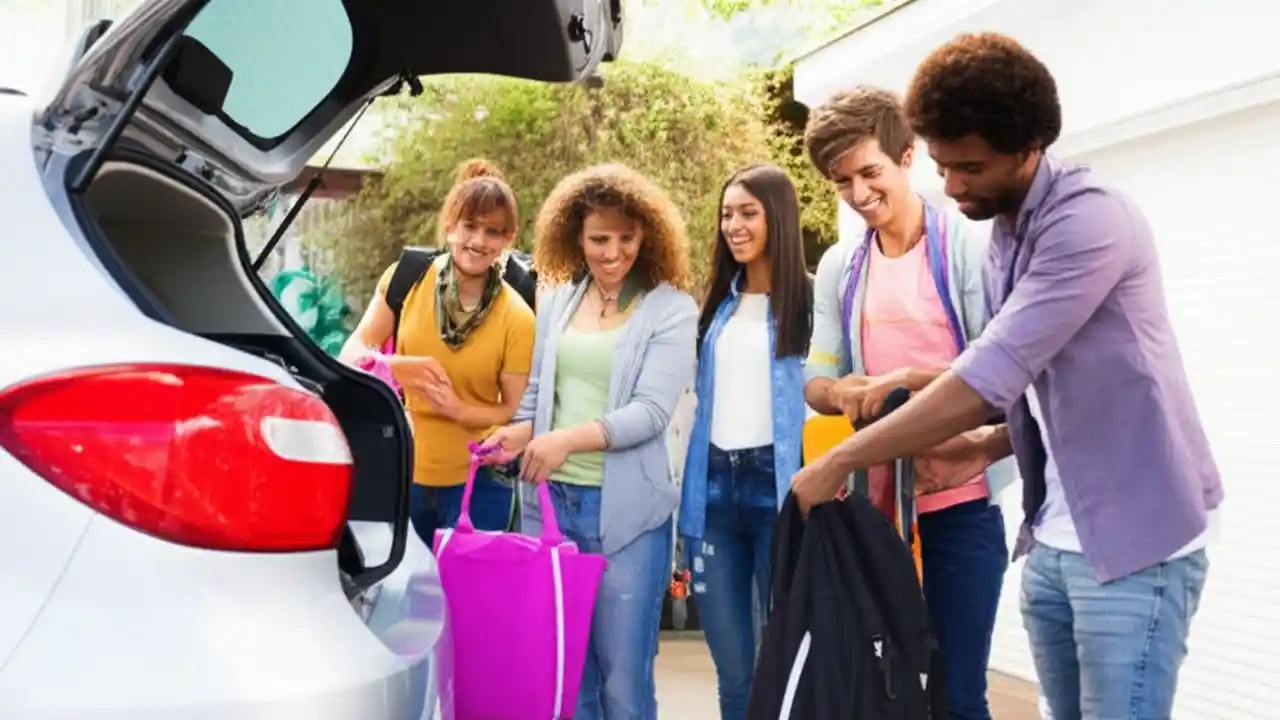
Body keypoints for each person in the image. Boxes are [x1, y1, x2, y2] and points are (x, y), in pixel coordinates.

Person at [791, 33, 1221, 720]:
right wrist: (989, 446)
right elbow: (1039, 381)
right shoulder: (1005, 231)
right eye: (942, 165)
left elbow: (991, 373)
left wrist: (842, 455)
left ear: (1027, 149)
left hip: (1136, 538)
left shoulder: (1089, 222)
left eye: (969, 168)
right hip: (1053, 534)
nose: (952, 186)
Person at [800, 85, 1014, 720]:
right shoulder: (843, 266)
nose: (860, 193)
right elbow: (816, 380)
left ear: (907, 155)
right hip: (878, 512)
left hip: (960, 507)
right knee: (882, 686)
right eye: (843, 182)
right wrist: (841, 390)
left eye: (870, 172)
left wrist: (900, 381)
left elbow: (1005, 376)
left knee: (956, 693)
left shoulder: (971, 247)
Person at [481, 163, 699, 720]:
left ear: (647, 234)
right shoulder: (554, 300)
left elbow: (649, 413)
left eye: (627, 238)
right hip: (551, 508)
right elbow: (539, 398)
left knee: (623, 687)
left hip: (627, 518)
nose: (613, 252)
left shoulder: (671, 309)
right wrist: (515, 436)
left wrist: (564, 441)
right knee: (567, 678)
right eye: (599, 238)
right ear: (575, 236)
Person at [339, 159, 535, 547]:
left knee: (468, 602)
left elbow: (513, 410)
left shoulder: (517, 314)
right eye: (470, 226)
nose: (478, 241)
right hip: (406, 474)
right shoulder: (407, 279)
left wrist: (459, 411)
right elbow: (351, 355)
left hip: (480, 482)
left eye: (492, 232)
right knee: (407, 600)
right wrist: (394, 366)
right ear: (450, 225)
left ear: (507, 239)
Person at [678, 164, 812, 720]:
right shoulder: (717, 304)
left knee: (785, 664)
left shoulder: (810, 301)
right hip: (711, 496)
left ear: (777, 217)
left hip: (779, 493)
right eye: (727, 214)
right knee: (734, 672)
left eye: (748, 212)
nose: (733, 225)